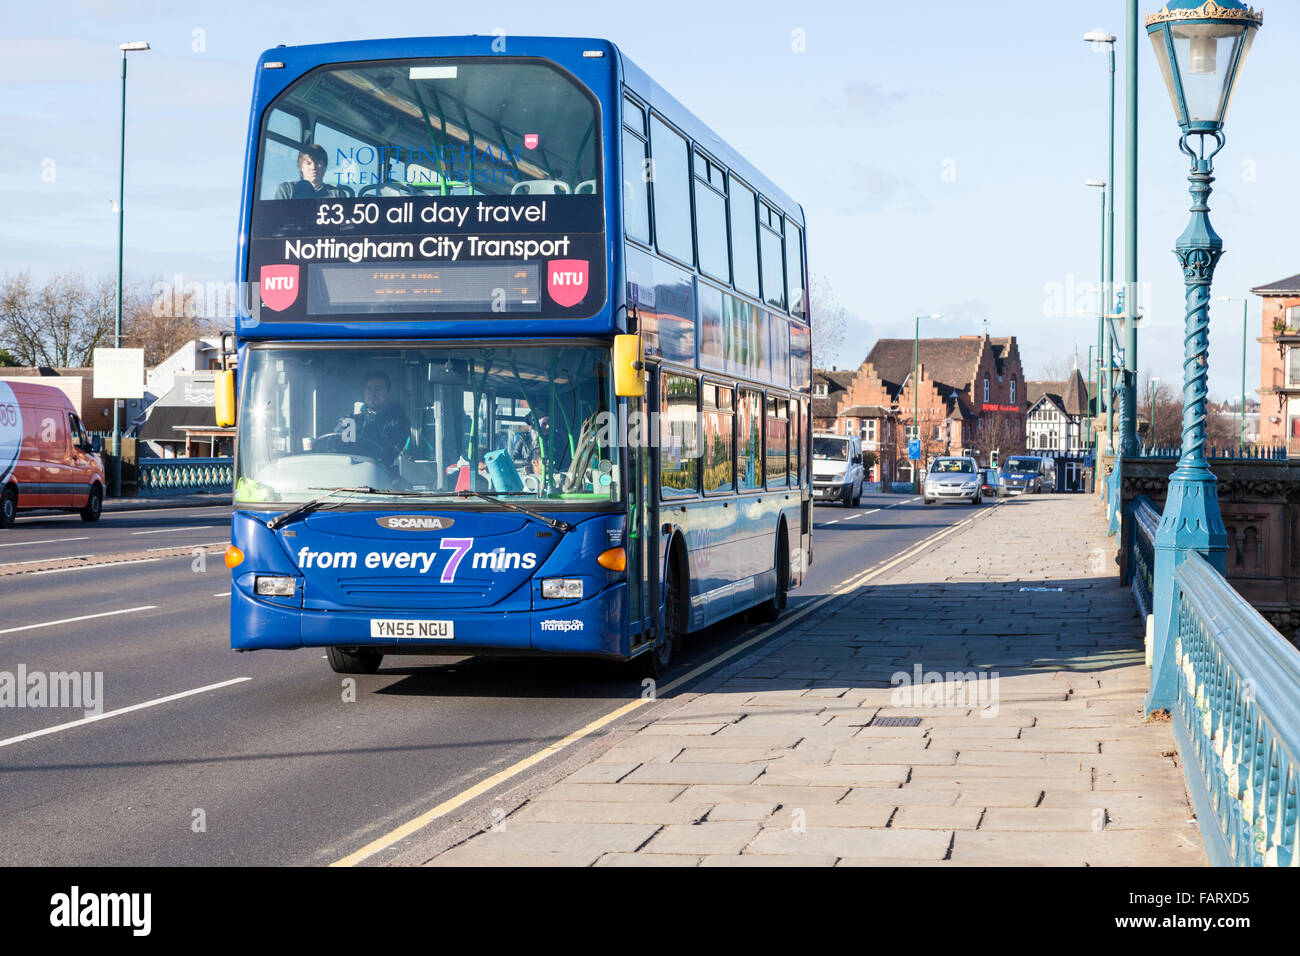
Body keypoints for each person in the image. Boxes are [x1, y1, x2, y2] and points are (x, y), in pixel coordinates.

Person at [350, 371, 410, 468]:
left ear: (388, 392)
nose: (373, 393)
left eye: (378, 388)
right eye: (369, 388)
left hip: (387, 477)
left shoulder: (399, 423)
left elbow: (401, 456)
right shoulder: (350, 421)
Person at [274, 145, 350, 200]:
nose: (313, 167)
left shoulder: (337, 194)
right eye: (308, 163)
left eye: (318, 163)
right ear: (301, 167)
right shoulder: (287, 190)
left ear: (325, 166)